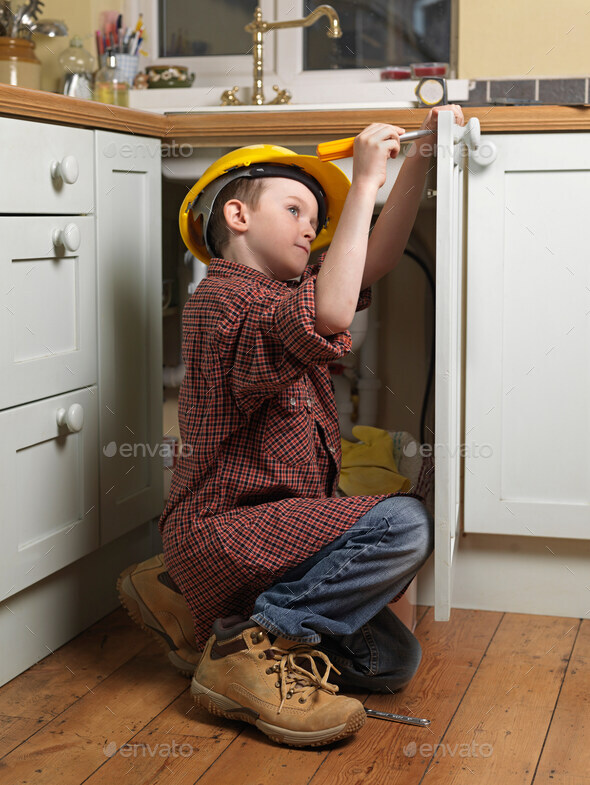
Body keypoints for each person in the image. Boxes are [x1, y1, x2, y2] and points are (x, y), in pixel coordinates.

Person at [118, 105, 465, 748]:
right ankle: (240, 651)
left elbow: (374, 260)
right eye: (296, 212)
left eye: (317, 218)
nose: (312, 229)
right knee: (406, 521)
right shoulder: (224, 299)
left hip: (274, 539)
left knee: (392, 664)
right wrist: (361, 183)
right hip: (225, 530)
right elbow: (334, 308)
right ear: (238, 216)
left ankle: (194, 599)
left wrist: (416, 161)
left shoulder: (282, 292)